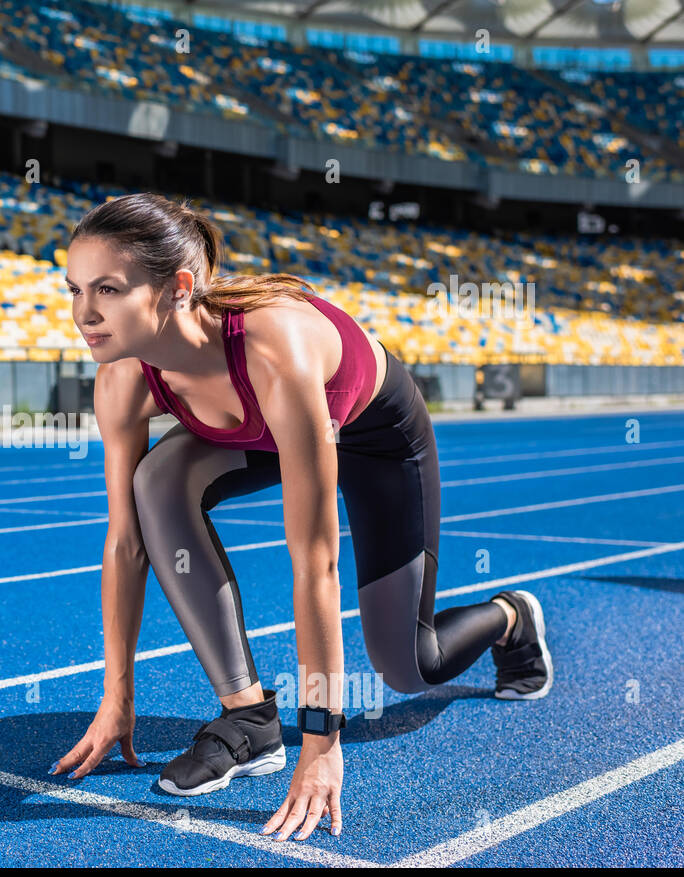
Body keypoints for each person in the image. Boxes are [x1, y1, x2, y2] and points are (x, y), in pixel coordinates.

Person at [49, 193, 553, 843]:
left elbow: (315, 564)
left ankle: (511, 616)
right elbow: (125, 542)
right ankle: (249, 717)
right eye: (74, 289)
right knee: (157, 480)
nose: (83, 313)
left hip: (375, 439)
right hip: (259, 432)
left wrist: (322, 740)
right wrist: (116, 694)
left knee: (407, 665)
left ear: (176, 288)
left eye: (108, 290)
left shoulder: (275, 351)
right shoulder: (124, 376)